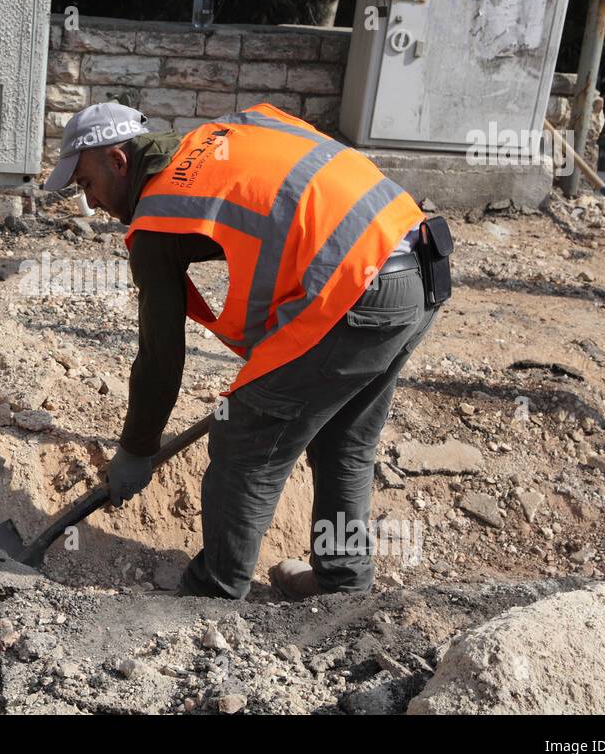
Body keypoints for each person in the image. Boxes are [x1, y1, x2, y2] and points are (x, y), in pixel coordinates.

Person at [42, 101, 450, 600]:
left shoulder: (157, 217)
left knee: (243, 436)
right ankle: (341, 588)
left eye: (86, 184)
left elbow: (160, 357)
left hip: (357, 289)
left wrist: (136, 449)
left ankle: (211, 599)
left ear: (119, 162)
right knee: (343, 438)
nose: (92, 202)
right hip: (418, 262)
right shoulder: (226, 135)